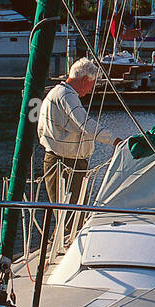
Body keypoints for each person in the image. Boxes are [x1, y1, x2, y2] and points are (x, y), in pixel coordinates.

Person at [37, 58, 121, 209]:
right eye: (92, 84)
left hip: (64, 162)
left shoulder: (58, 93)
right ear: (84, 79)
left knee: (71, 214)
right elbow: (86, 124)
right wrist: (116, 141)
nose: (91, 89)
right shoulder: (66, 95)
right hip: (65, 164)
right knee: (70, 215)